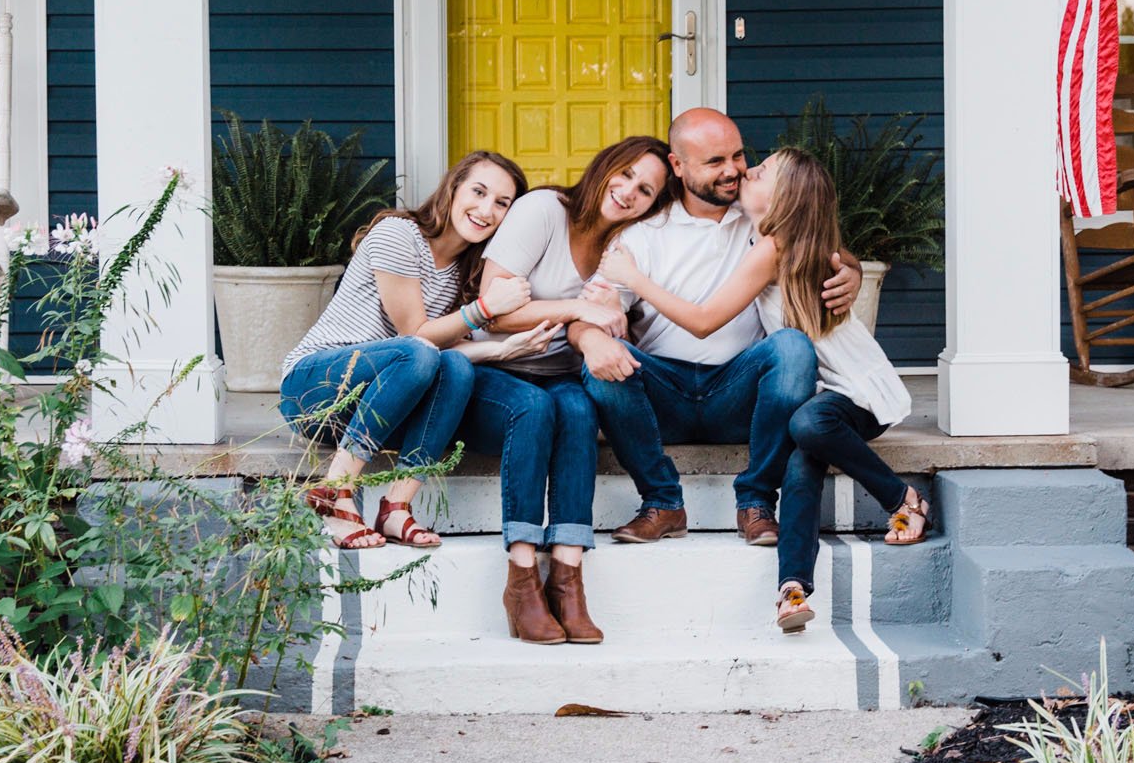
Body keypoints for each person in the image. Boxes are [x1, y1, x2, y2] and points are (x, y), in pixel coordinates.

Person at [597, 146, 929, 634]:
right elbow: (826, 236)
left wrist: (633, 280)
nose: (744, 173)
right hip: (818, 394)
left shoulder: (773, 247)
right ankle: (792, 590)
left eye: (758, 172)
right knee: (801, 460)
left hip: (857, 394)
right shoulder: (762, 230)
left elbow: (705, 320)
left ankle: (901, 498)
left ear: (784, 200)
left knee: (808, 424)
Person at [571, 107, 859, 547]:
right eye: (715, 162)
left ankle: (757, 502)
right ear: (678, 167)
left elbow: (824, 241)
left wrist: (851, 272)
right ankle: (662, 501)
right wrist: (590, 339)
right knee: (602, 365)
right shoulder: (642, 236)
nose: (734, 172)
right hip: (662, 396)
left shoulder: (764, 216)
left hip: (738, 392)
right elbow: (586, 312)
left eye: (739, 156)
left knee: (791, 349)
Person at [277, 150, 553, 549]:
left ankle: (397, 507)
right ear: (453, 188)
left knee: (457, 365)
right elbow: (417, 335)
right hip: (313, 389)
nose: (485, 209)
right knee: (422, 352)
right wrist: (488, 308)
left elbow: (441, 348)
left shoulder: (466, 271)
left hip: (375, 405)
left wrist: (501, 350)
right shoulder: (398, 234)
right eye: (478, 191)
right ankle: (336, 492)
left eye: (501, 203)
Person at [468, 136, 674, 645]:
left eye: (645, 190)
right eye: (624, 174)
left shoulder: (624, 252)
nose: (628, 192)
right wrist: (578, 310)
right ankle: (521, 580)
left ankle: (567, 577)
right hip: (496, 366)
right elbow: (495, 311)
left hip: (557, 372)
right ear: (604, 166)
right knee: (535, 409)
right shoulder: (542, 210)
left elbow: (607, 325)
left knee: (580, 412)